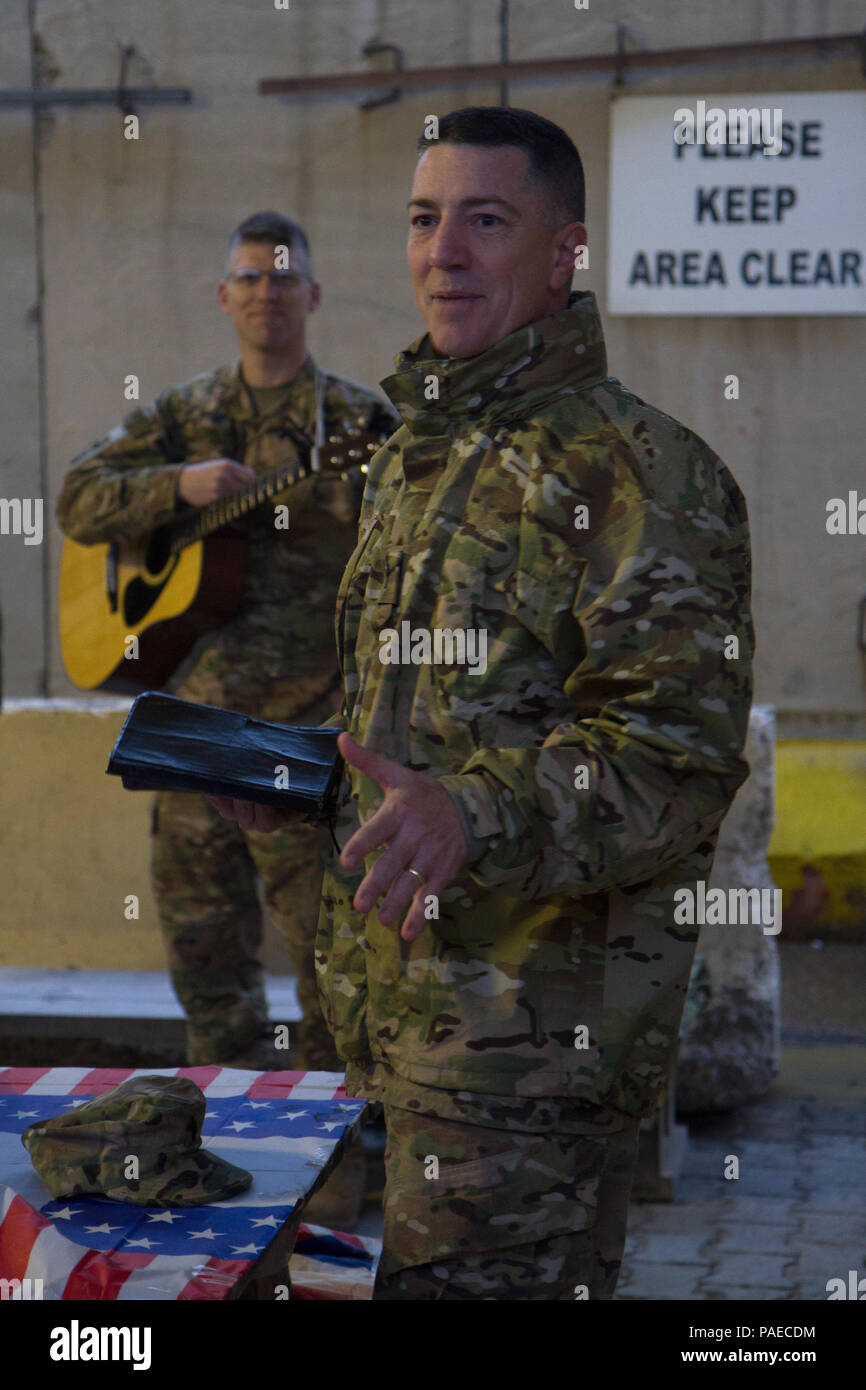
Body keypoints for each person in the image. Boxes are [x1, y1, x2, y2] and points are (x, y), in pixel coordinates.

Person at [210, 108, 755, 1300]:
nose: (442, 252)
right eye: (423, 219)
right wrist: (312, 789)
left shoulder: (639, 473)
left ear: (564, 251)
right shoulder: (419, 458)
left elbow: (670, 761)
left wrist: (468, 814)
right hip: (406, 1028)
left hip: (529, 1061)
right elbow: (433, 728)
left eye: (485, 220)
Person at [56, 210, 396, 1076]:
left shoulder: (360, 421)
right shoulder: (185, 414)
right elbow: (78, 499)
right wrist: (177, 486)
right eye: (249, 276)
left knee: (330, 963)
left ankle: (332, 1136)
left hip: (307, 730)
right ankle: (224, 1120)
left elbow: (415, 565)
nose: (265, 292)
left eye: (283, 276)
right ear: (223, 295)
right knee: (206, 962)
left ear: (313, 295)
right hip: (193, 731)